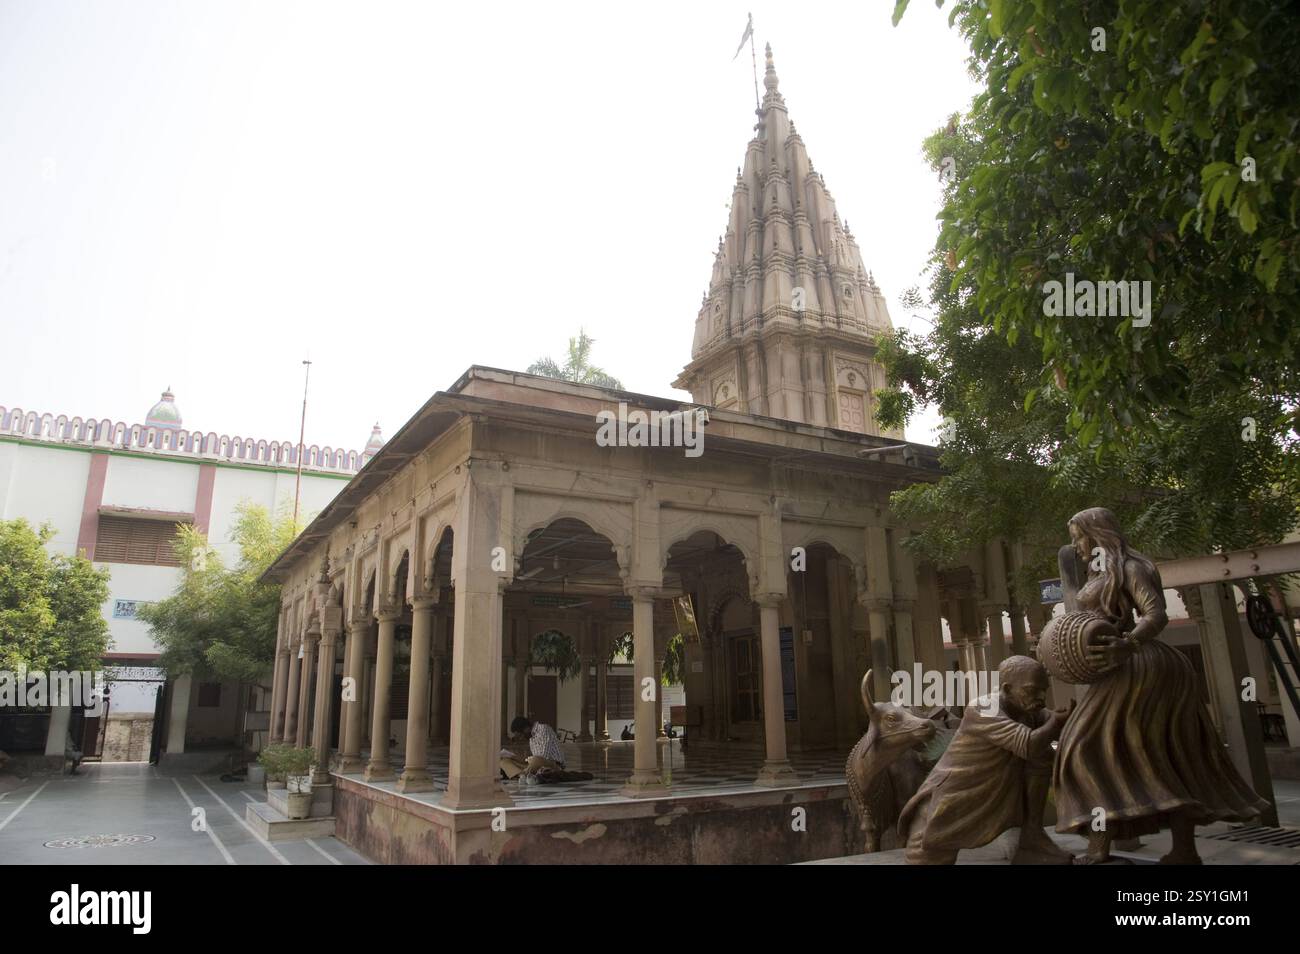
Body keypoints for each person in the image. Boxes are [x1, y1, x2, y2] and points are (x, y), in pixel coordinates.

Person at [1053, 507, 1270, 864]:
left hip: (1143, 667)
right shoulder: (1100, 571)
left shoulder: (1133, 567)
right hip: (1116, 668)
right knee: (1123, 753)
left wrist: (1129, 643)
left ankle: (1173, 848)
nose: (1075, 546)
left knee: (1131, 750)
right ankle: (1111, 847)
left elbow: (1156, 614)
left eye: (1079, 537)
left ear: (1097, 535)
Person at [899, 655, 1073, 865]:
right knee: (927, 856)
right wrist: (1055, 724)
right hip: (954, 798)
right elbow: (1027, 744)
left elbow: (1055, 733)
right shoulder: (983, 708)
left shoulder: (1028, 710)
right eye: (1032, 690)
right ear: (1007, 689)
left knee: (1043, 756)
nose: (1041, 698)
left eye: (1043, 690)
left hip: (995, 794)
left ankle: (1032, 836)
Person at [499, 716, 566, 780]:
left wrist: (531, 760)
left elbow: (543, 756)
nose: (521, 738)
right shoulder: (531, 738)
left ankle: (521, 775)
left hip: (552, 764)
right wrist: (513, 756)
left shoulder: (543, 729)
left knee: (536, 760)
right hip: (536, 766)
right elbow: (531, 759)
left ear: (526, 728)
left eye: (520, 736)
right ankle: (522, 776)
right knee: (503, 761)